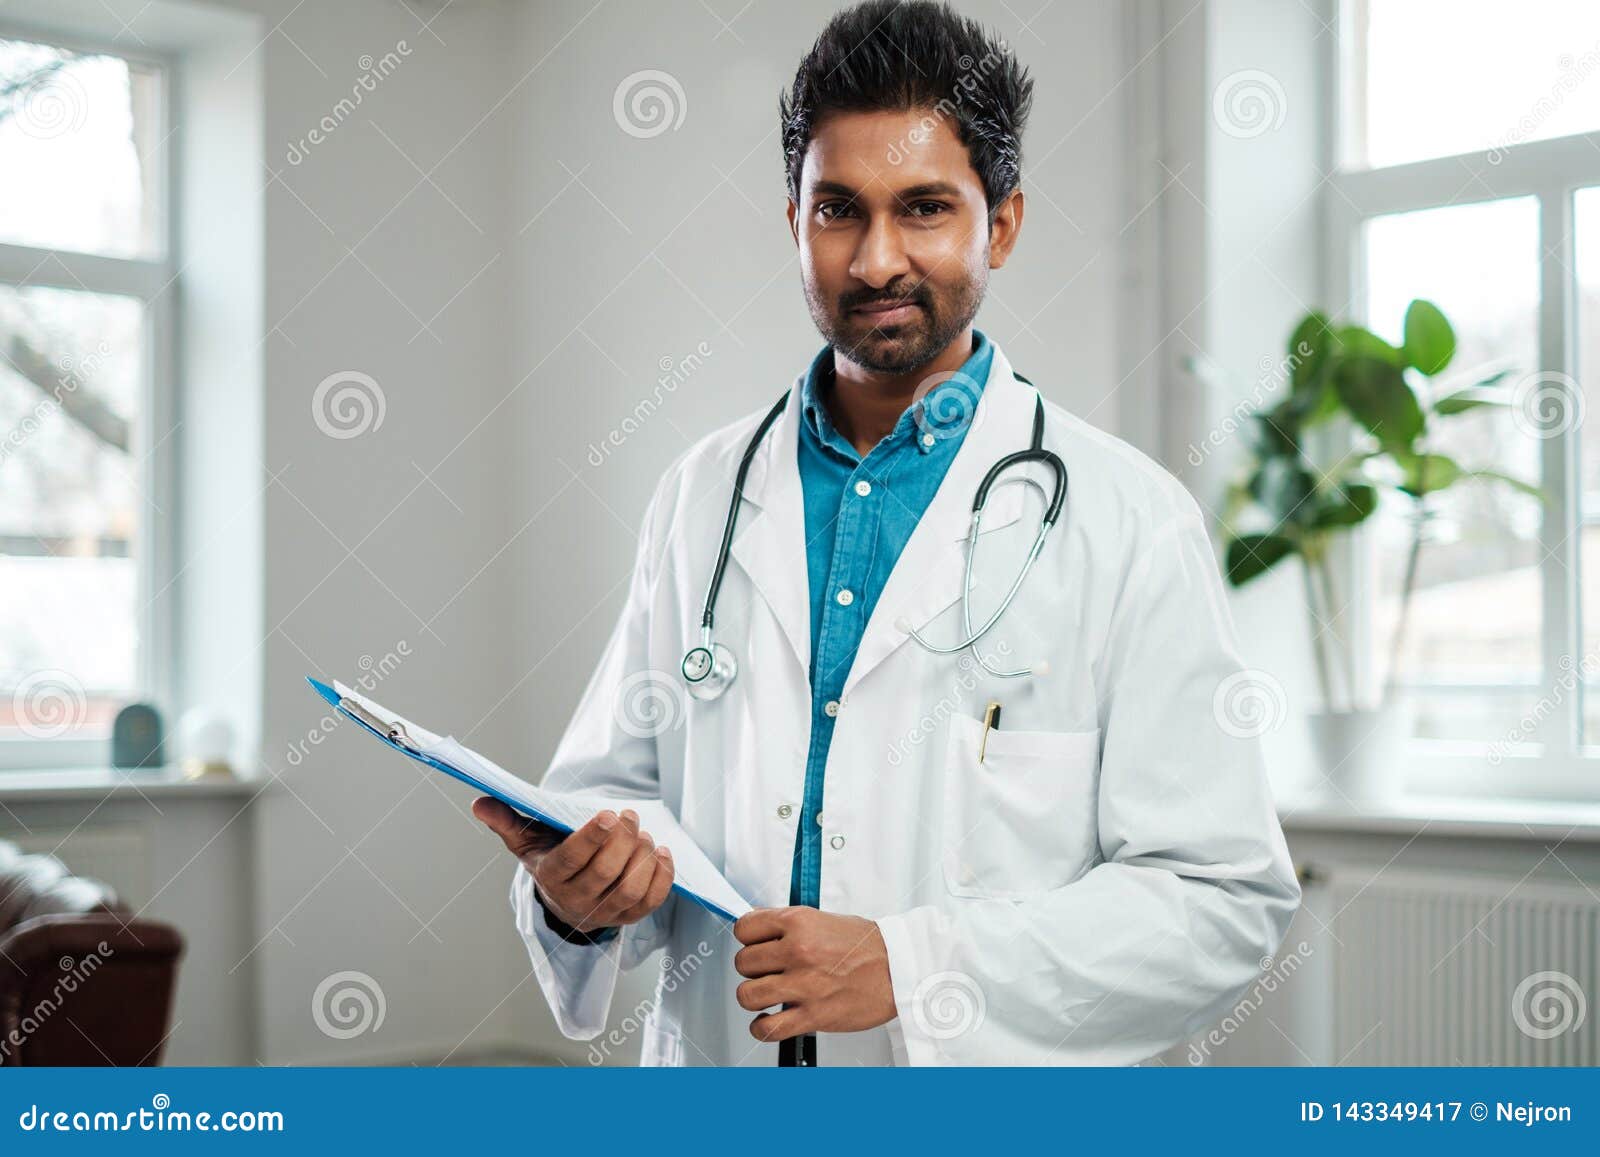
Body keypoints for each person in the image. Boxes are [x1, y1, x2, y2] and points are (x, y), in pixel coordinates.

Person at [474, 0, 1299, 1066]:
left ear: (998, 224)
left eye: (922, 209)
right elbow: (612, 791)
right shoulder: (704, 492)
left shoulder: (1129, 519)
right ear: (792, 220)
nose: (873, 261)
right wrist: (585, 895)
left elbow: (1219, 900)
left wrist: (916, 970)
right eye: (837, 210)